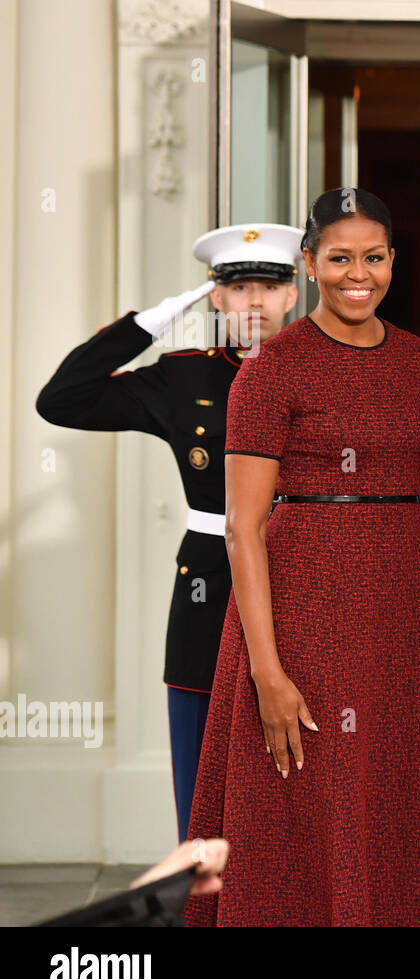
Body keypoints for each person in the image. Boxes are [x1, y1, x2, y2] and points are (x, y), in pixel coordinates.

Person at [184, 188, 420, 926]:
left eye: (372, 257)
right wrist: (266, 671)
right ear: (308, 265)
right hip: (301, 614)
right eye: (338, 258)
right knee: (298, 804)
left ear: (393, 261)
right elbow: (242, 526)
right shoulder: (272, 368)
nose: (356, 273)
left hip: (397, 613)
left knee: (383, 800)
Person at [34, 224, 301, 841]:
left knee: (300, 760)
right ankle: (206, 892)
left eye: (269, 286)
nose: (254, 302)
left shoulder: (323, 371)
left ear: (292, 295)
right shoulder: (183, 377)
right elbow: (62, 401)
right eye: (238, 289)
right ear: (214, 297)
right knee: (202, 748)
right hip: (211, 576)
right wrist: (151, 321)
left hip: (299, 566)